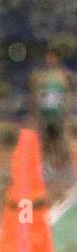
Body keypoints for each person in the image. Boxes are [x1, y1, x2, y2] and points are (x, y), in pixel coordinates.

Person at [31, 49, 71, 179]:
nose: (50, 61)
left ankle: (62, 167)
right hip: (45, 113)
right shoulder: (39, 76)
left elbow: (66, 94)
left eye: (53, 58)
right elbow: (35, 95)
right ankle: (46, 166)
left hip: (58, 113)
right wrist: (36, 113)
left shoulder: (62, 75)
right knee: (45, 140)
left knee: (59, 141)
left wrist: (66, 112)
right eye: (48, 58)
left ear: (57, 59)